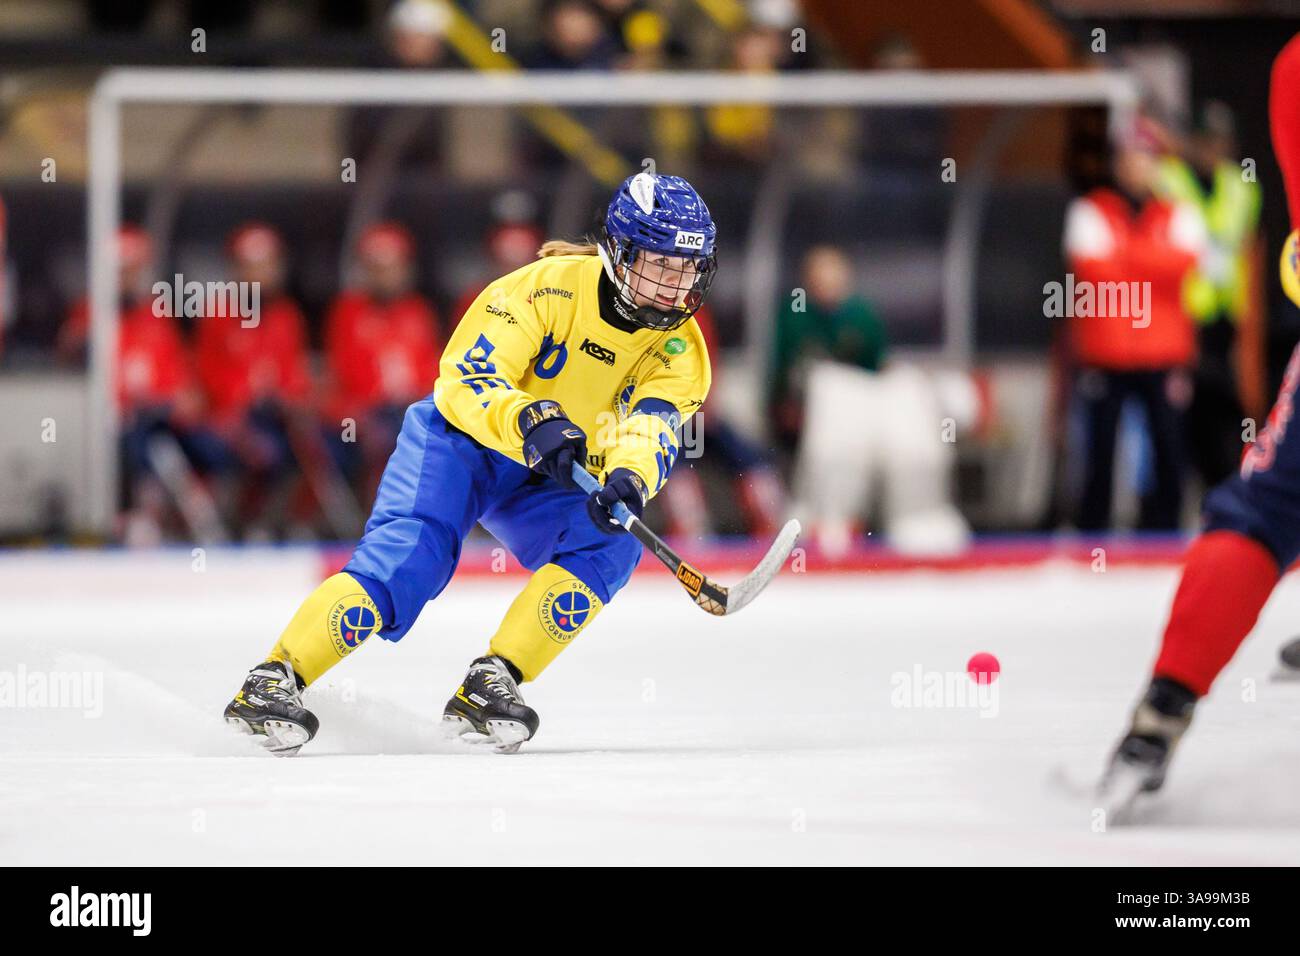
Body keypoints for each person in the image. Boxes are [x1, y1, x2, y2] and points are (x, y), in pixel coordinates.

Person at [222, 171, 716, 755]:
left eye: (687, 271)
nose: (674, 287)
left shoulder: (684, 352)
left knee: (610, 545)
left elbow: (651, 429)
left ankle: (493, 682)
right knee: (411, 562)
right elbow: (465, 380)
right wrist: (532, 420)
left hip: (550, 469)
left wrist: (630, 478)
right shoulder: (542, 290)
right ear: (619, 252)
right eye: (661, 266)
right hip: (461, 444)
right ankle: (274, 680)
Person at [1100, 34, 1300, 809]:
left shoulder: (1288, 66)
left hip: (1190, 332)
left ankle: (1160, 716)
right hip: (1184, 336)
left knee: (1263, 510)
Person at [1063, 123, 1206, 531]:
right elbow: (1092, 272)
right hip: (1105, 353)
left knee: (1169, 446)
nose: (1136, 167)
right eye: (1128, 158)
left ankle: (1164, 532)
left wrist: (1124, 257)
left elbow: (1183, 266)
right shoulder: (1090, 209)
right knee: (1099, 449)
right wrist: (1151, 262)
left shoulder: (1179, 212)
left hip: (1163, 353)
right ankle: (1094, 532)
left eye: (1145, 158)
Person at [324, 222, 441, 500]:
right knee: (383, 437)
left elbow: (432, 369)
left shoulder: (419, 311)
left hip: (412, 408)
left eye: (392, 267)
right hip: (365, 413)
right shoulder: (348, 312)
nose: (386, 276)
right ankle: (379, 516)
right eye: (377, 268)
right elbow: (343, 375)